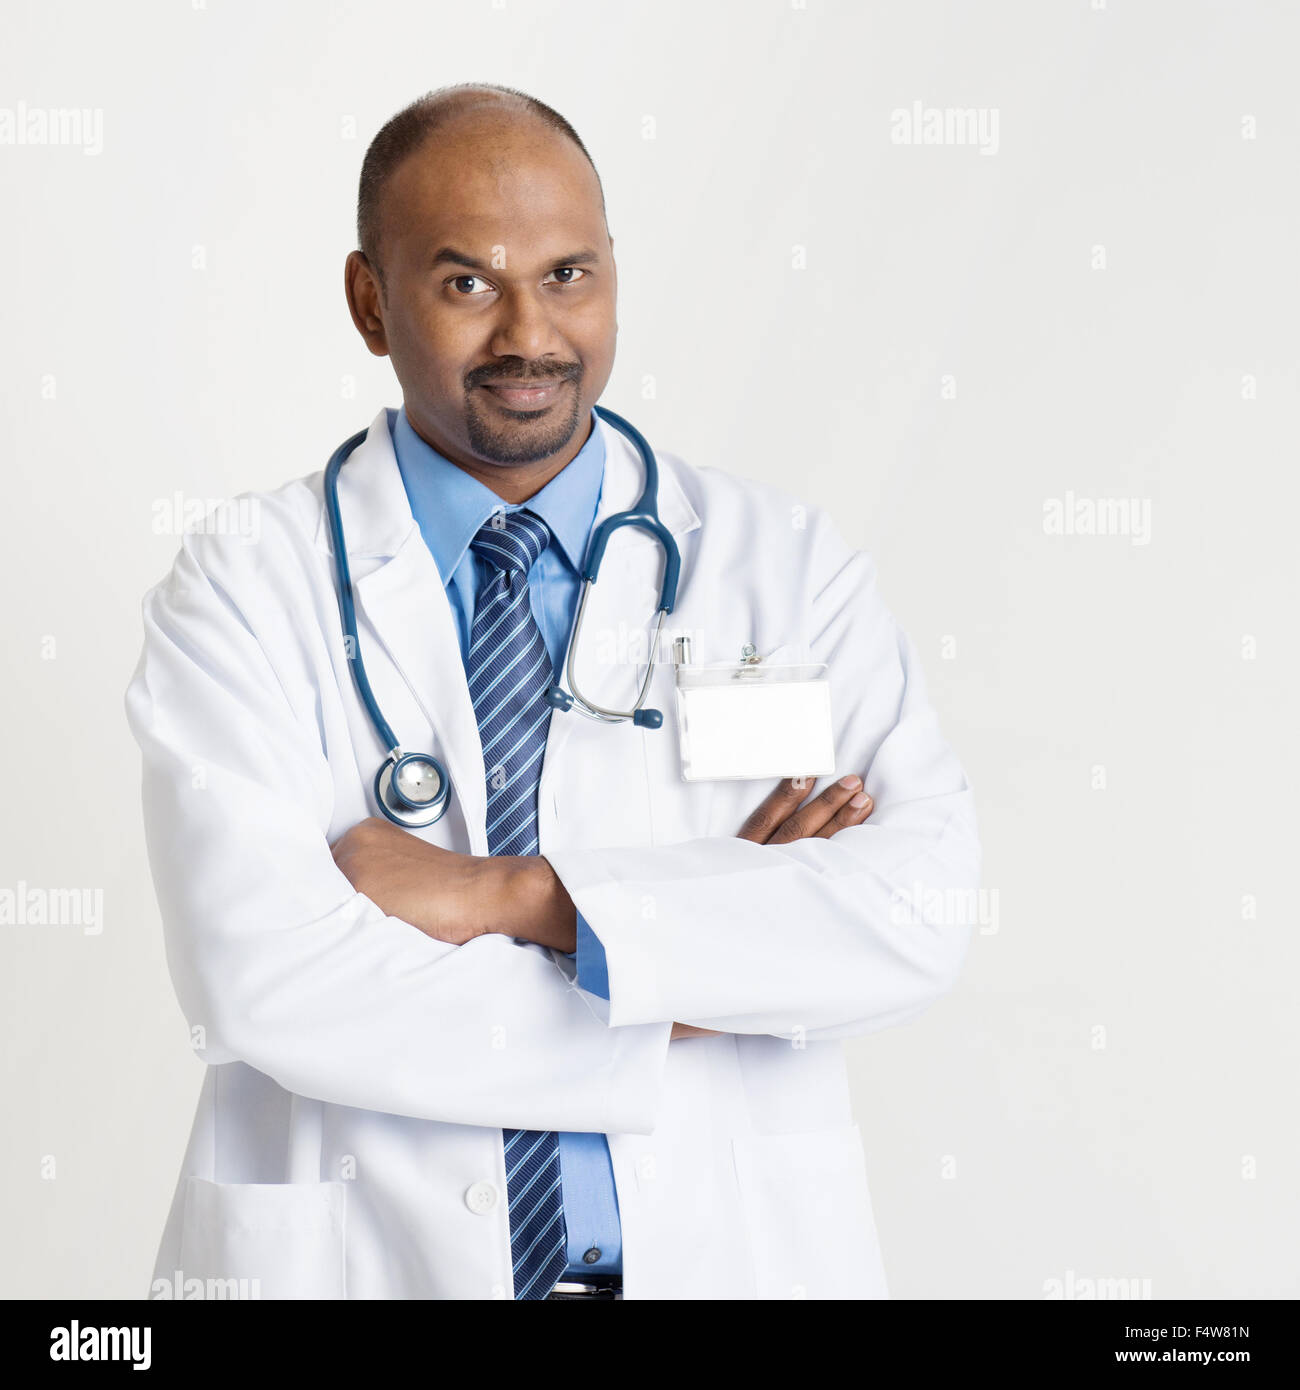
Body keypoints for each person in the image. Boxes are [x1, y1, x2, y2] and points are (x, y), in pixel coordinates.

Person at [125, 82, 980, 1301]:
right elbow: (265, 980)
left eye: (569, 275)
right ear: (371, 301)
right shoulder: (246, 584)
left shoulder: (783, 565)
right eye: (467, 282)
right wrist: (700, 967)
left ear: (615, 271)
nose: (530, 332)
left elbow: (915, 909)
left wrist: (517, 897)